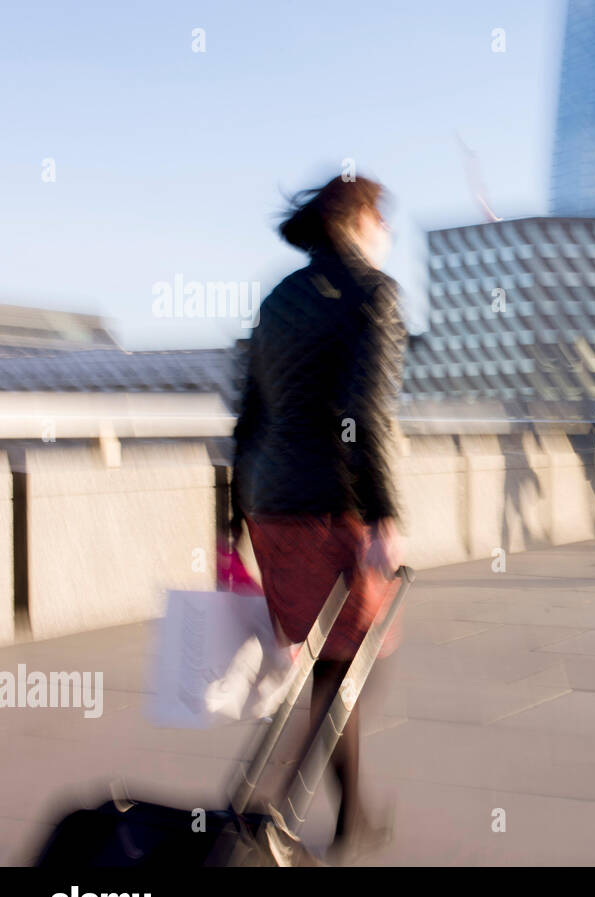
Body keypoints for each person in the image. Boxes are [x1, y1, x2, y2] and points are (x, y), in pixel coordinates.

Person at [231, 173, 406, 861]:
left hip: (270, 503)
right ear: (361, 218)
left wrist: (232, 515)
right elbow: (366, 416)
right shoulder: (375, 293)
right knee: (349, 665)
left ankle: (344, 813)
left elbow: (247, 413)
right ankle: (272, 810)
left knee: (325, 663)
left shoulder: (278, 298)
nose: (387, 232)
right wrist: (384, 513)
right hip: (333, 505)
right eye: (382, 218)